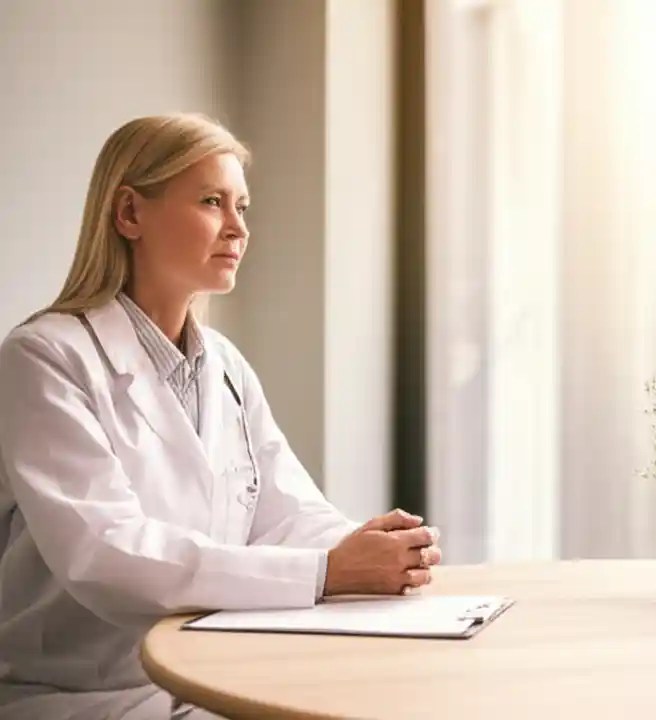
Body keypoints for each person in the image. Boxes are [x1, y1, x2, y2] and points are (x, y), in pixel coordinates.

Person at [0, 114, 443, 720]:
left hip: (203, 677)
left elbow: (288, 512)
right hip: (80, 696)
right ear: (130, 214)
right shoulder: (45, 358)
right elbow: (106, 554)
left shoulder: (225, 366)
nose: (238, 228)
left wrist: (371, 550)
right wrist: (327, 571)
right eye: (212, 202)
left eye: (242, 206)